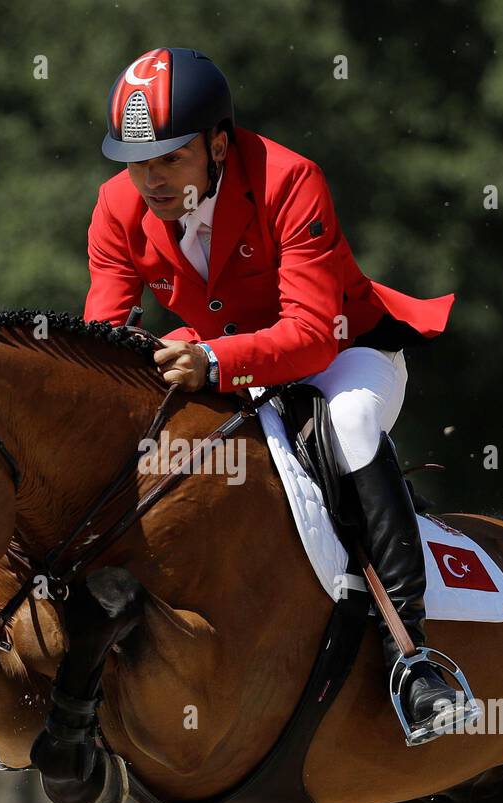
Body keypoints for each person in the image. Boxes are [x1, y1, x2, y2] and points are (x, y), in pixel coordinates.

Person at [85, 47, 470, 745]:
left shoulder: (290, 180)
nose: (151, 180)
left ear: (218, 144)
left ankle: (415, 658)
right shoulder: (117, 207)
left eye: (169, 159)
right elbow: (102, 339)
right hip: (224, 362)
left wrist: (211, 357)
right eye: (138, 162)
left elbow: (313, 333)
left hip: (344, 352)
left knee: (350, 423)